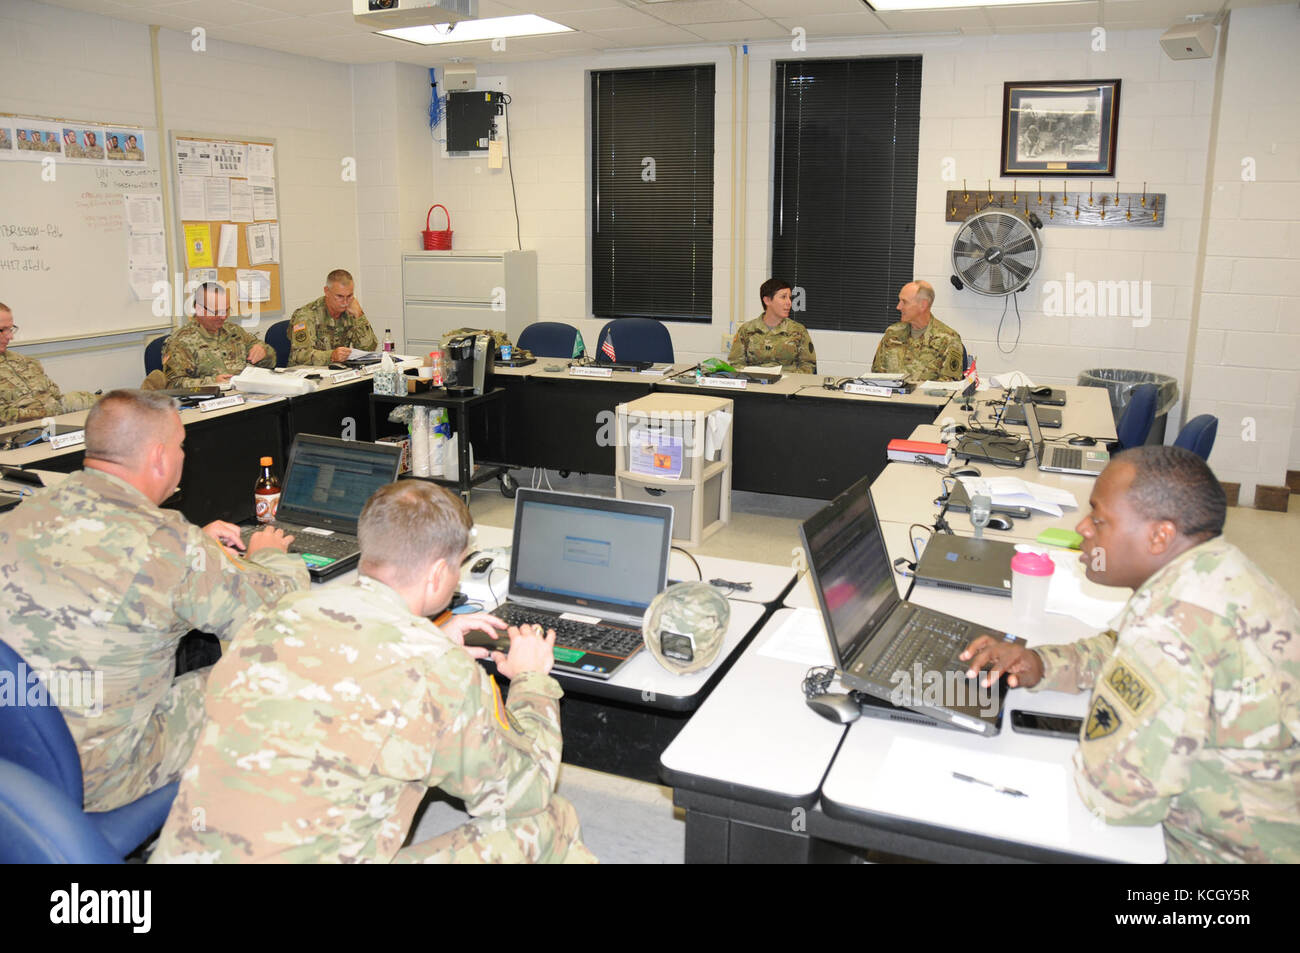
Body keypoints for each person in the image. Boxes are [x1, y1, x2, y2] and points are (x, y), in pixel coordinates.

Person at [150, 480, 595, 863]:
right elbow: (524, 792)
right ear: (440, 572)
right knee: (550, 819)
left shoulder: (278, 612)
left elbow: (350, 669)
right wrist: (531, 680)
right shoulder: (437, 671)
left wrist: (434, 639)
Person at [960, 446, 1300, 863]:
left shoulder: (1173, 625)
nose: (1083, 529)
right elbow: (1116, 646)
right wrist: (1042, 664)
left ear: (1160, 535)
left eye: (1099, 519)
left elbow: (1115, 800)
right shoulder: (1210, 570)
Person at [0, 390, 309, 812]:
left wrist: (196, 545)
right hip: (100, 774)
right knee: (270, 672)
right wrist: (270, 554)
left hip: (17, 749)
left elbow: (106, 557)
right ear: (161, 457)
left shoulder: (27, 512)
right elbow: (277, 610)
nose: (184, 455)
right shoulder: (167, 545)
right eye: (181, 446)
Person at [0, 302, 97, 425]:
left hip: (54, 420)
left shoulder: (23, 361)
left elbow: (54, 395)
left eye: (11, 329)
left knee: (111, 404)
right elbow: (4, 417)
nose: (10, 337)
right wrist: (50, 412)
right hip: (22, 430)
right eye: (3, 330)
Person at [162, 282, 274, 386]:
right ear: (199, 309)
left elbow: (271, 362)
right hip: (211, 401)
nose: (223, 316)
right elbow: (172, 384)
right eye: (217, 312)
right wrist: (212, 382)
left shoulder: (234, 331)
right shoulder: (180, 342)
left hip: (246, 395)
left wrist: (263, 351)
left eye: (226, 310)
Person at [871, 280, 965, 382]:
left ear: (923, 305)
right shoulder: (892, 333)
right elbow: (877, 375)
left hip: (925, 398)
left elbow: (949, 384)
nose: (898, 307)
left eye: (904, 302)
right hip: (892, 397)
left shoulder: (948, 339)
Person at [287, 268, 378, 366]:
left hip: (337, 372)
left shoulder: (350, 311)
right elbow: (300, 355)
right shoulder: (306, 315)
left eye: (349, 296)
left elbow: (369, 349)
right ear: (327, 291)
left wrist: (360, 316)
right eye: (339, 296)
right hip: (305, 375)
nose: (345, 302)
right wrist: (331, 356)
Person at [727, 278, 816, 374]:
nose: (789, 302)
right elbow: (735, 364)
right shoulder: (747, 330)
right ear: (767, 300)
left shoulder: (798, 330)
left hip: (788, 385)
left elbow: (808, 365)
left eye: (790, 298)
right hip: (755, 384)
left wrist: (791, 380)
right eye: (783, 297)